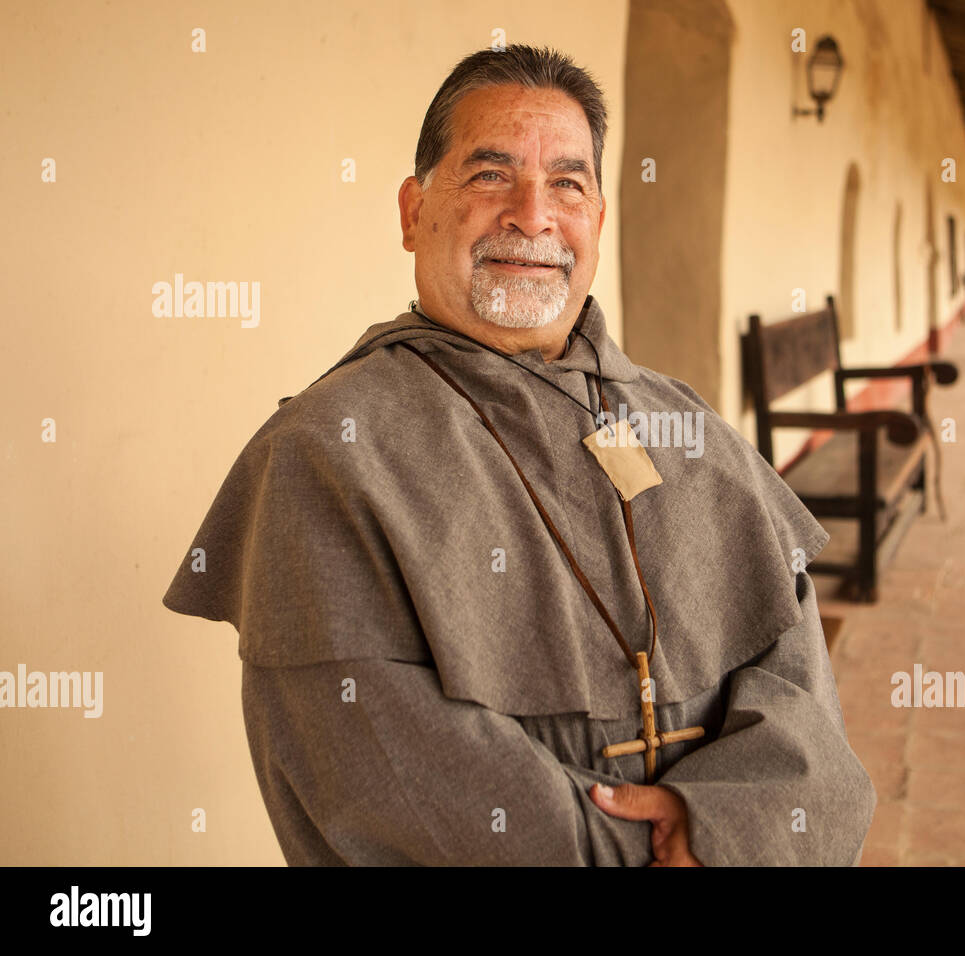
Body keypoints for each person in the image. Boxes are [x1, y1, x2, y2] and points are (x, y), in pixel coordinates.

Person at [163, 44, 875, 866]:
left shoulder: (686, 425)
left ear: (598, 221)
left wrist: (725, 831)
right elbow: (397, 787)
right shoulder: (326, 457)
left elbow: (806, 704)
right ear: (412, 210)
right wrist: (665, 851)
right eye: (490, 175)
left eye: (568, 183)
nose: (533, 216)